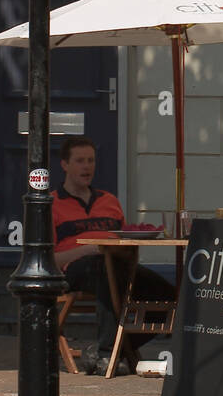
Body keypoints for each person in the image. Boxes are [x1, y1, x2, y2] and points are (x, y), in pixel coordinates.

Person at [52, 136, 173, 375]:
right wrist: (89, 249)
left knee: (167, 293)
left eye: (91, 160)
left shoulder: (109, 201)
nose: (87, 166)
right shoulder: (52, 204)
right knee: (105, 270)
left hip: (117, 263)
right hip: (76, 268)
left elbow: (125, 238)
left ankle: (109, 349)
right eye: (80, 161)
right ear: (65, 165)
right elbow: (50, 260)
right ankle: (108, 353)